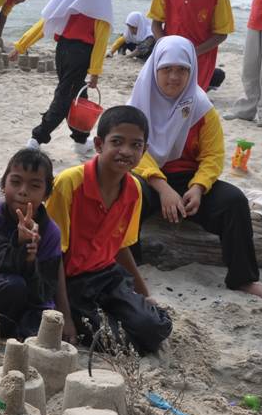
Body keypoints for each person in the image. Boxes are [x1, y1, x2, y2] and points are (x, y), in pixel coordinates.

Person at [129, 36, 262, 301]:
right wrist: (162, 188)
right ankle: (131, 272)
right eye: (167, 69)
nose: (174, 77)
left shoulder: (201, 107)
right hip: (148, 179)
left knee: (234, 201)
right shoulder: (139, 103)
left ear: (192, 71)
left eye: (182, 70)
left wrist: (198, 188)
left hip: (189, 180)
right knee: (128, 194)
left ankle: (243, 278)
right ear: (154, 70)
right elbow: (135, 152)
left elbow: (213, 155)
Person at [45, 106, 172, 354]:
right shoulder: (69, 183)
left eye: (136, 145)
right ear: (99, 144)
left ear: (144, 151)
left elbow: (122, 247)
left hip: (107, 276)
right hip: (70, 282)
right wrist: (65, 317)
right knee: (114, 341)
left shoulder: (134, 189)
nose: (126, 151)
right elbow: (53, 255)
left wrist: (146, 296)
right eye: (117, 142)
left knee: (154, 328)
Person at [10, 0, 114, 159]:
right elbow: (101, 43)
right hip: (81, 54)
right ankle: (37, 138)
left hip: (63, 51)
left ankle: (80, 139)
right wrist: (94, 72)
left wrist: (22, 45)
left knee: (76, 94)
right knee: (66, 96)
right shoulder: (101, 2)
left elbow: (45, 23)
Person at [0, 148, 62, 339]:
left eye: (35, 185)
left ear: (47, 194)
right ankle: (1, 329)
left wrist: (30, 262)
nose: (23, 191)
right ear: (3, 185)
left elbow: (44, 291)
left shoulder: (51, 232)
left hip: (31, 299)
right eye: (15, 182)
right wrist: (20, 245)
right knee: (14, 285)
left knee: (43, 324)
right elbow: (0, 263)